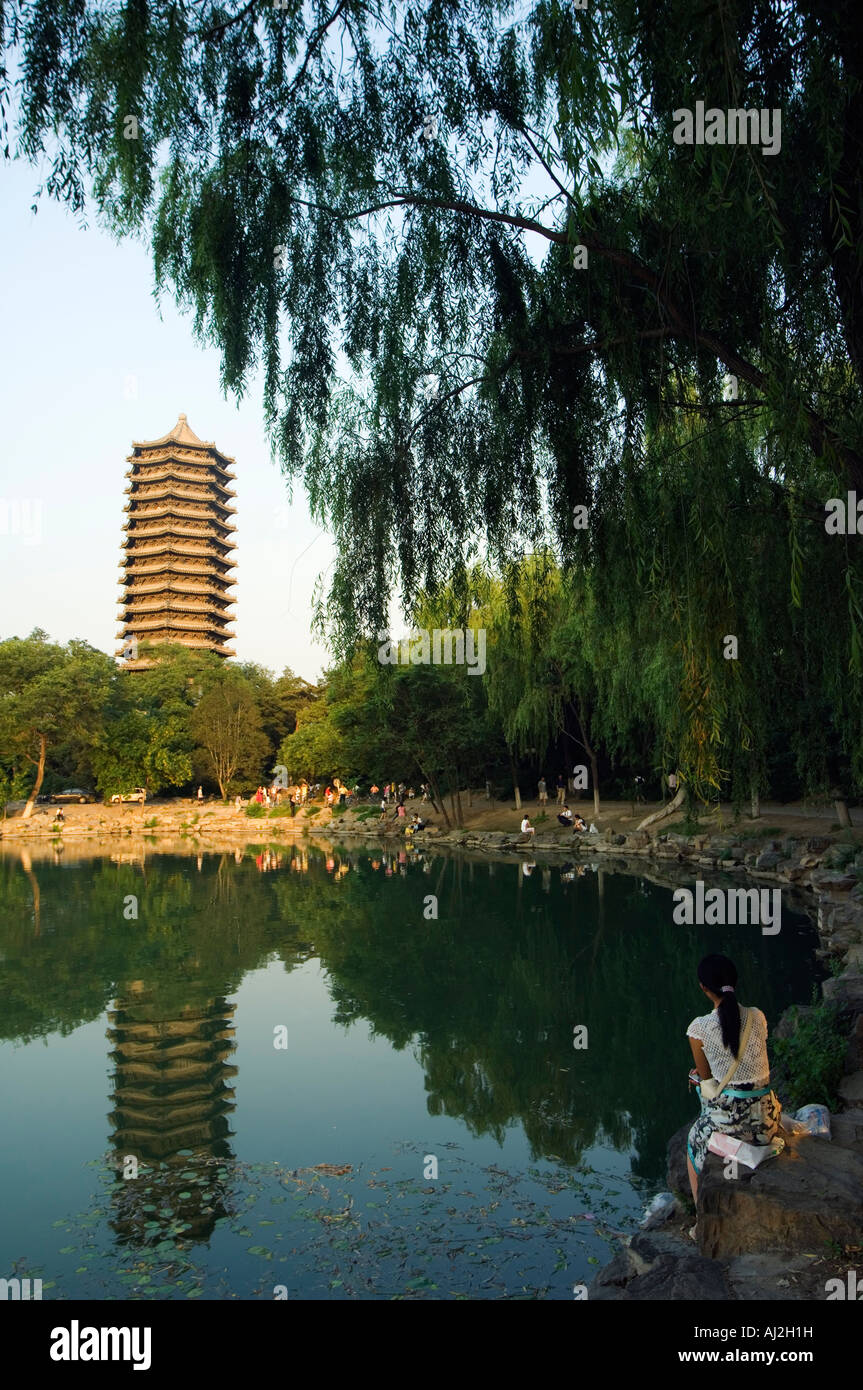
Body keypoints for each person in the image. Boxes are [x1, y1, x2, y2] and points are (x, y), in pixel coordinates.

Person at [685, 954, 780, 1216]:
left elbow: (709, 1085)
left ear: (703, 987)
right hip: (766, 1120)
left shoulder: (699, 1029)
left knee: (692, 1143)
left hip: (732, 1125)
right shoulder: (757, 1016)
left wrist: (696, 1078)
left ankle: (700, 1220)